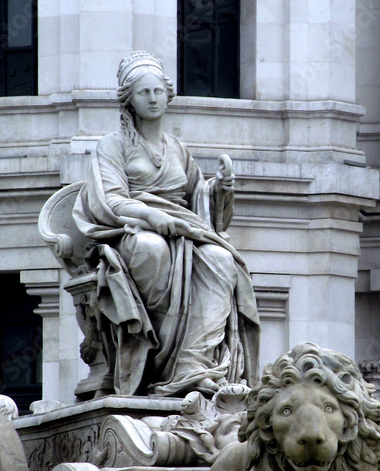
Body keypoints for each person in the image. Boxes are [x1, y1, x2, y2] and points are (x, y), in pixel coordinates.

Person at [72, 51, 259, 397]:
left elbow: (198, 199)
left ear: (167, 95)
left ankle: (191, 362)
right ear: (129, 99)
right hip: (131, 231)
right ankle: (154, 358)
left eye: (158, 91)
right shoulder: (111, 147)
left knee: (221, 260)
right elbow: (110, 201)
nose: (153, 99)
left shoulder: (177, 148)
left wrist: (220, 189)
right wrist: (151, 216)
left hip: (182, 230)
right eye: (144, 93)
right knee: (151, 250)